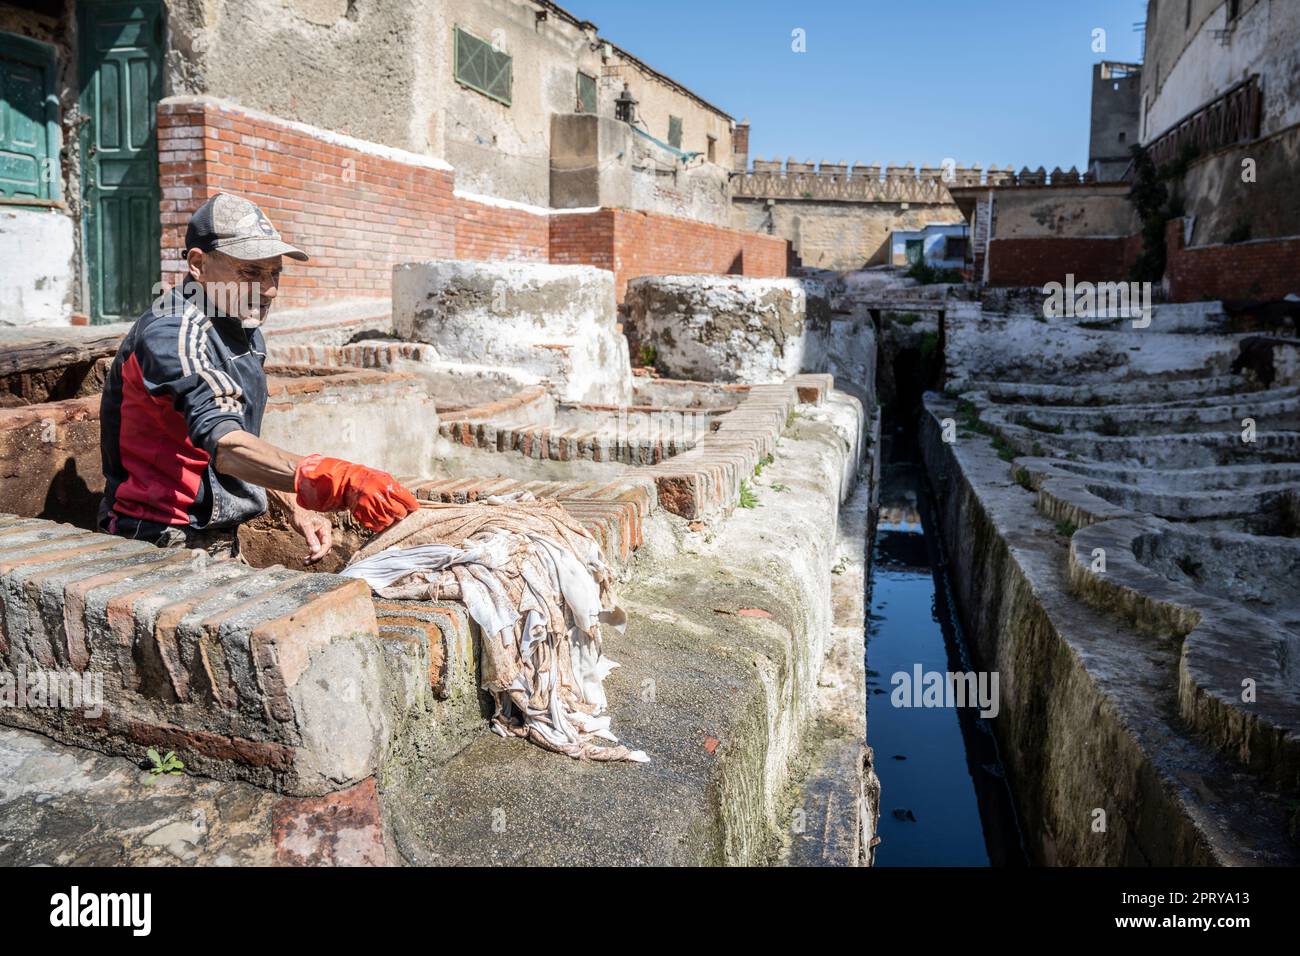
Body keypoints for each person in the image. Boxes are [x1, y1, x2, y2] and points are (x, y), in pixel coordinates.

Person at [98, 192, 418, 562]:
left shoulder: (240, 326)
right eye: (250, 272)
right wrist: (337, 481)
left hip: (214, 531)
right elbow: (228, 446)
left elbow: (240, 436)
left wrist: (296, 503)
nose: (269, 290)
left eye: (274, 273)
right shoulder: (174, 332)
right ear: (198, 264)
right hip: (158, 535)